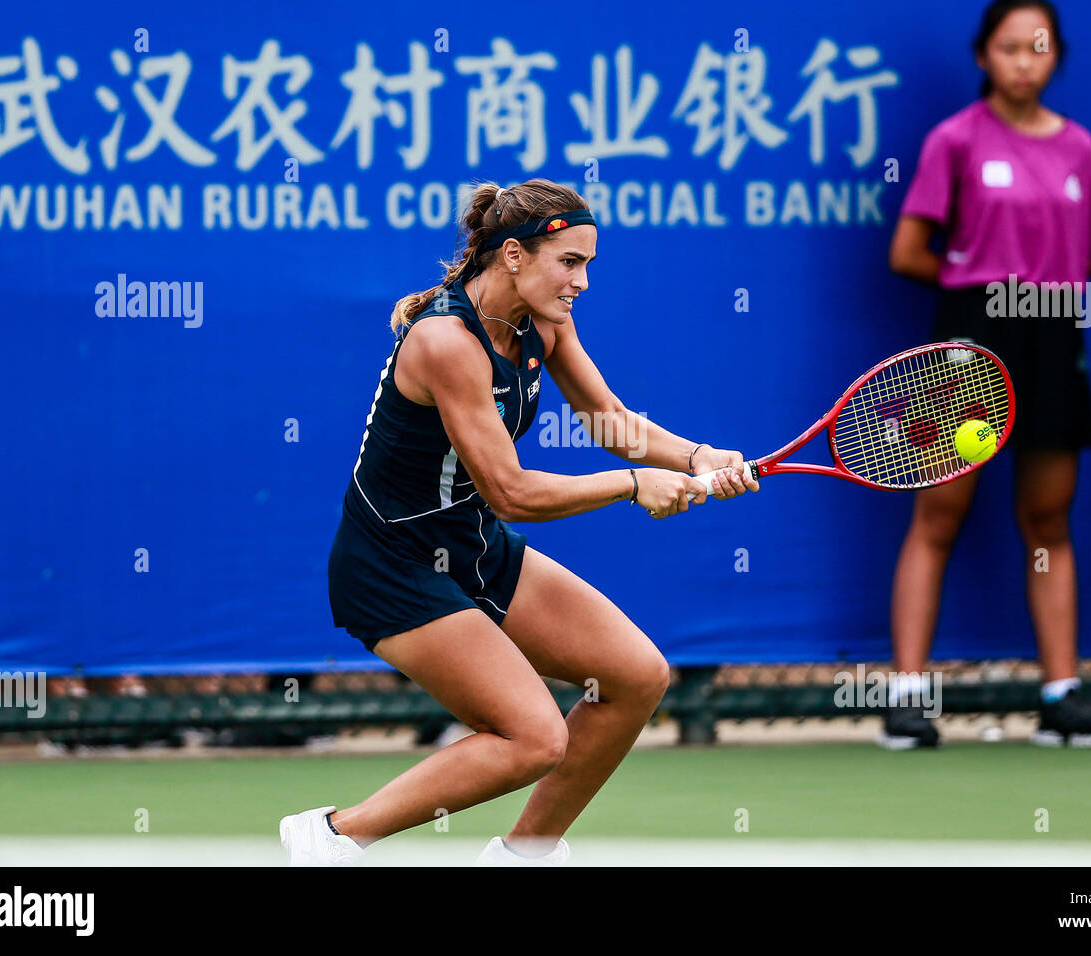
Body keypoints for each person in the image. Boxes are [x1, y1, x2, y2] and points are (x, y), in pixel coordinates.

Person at [280, 178, 759, 865]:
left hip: (468, 543)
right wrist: (632, 486)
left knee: (634, 677)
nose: (582, 281)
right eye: (569, 262)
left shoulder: (545, 321)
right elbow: (510, 491)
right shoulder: (445, 342)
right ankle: (332, 834)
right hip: (390, 562)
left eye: (588, 264)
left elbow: (610, 421)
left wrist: (696, 455)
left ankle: (522, 857)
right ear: (512, 255)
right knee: (533, 737)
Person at [881, 0, 1091, 749]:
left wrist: (1039, 289)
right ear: (984, 56)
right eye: (1010, 48)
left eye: (1039, 49)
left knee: (1049, 519)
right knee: (940, 513)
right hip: (970, 342)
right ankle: (908, 698)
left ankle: (1060, 698)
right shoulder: (954, 140)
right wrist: (982, 287)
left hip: (1054, 336)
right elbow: (907, 252)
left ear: (1055, 59)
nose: (1025, 61)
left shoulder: (1080, 147)